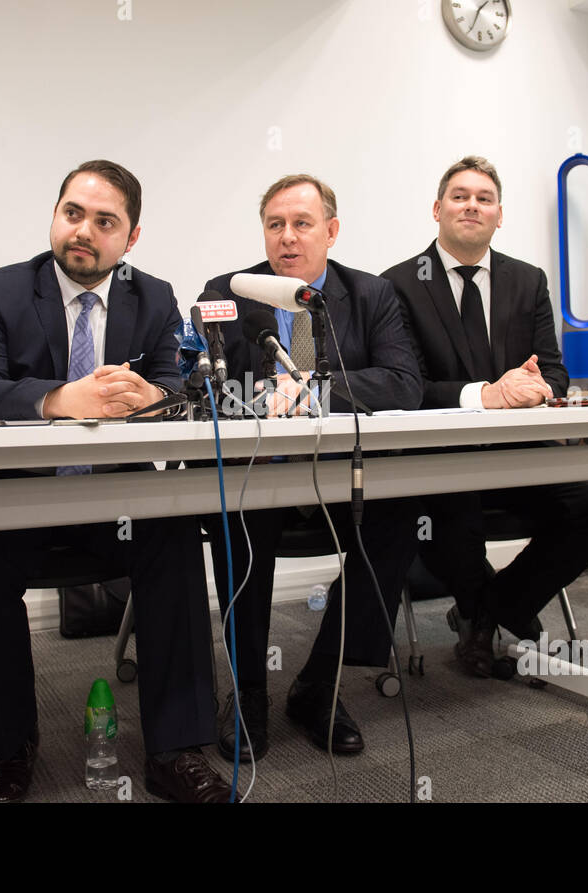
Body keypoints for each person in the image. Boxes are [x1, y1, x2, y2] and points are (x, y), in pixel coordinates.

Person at [0, 159, 228, 803]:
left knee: (177, 534)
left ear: (130, 238)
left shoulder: (152, 296)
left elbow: (178, 388)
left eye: (105, 222)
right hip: (17, 503)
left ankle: (174, 750)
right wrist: (60, 399)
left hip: (112, 502)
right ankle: (11, 749)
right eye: (73, 213)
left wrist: (152, 393)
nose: (84, 232)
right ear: (54, 215)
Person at [200, 174, 422, 762]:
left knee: (400, 517)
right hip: (262, 475)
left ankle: (319, 685)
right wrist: (250, 394)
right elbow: (202, 383)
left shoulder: (370, 294)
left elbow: (404, 383)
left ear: (332, 230)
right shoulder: (229, 290)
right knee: (243, 519)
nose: (288, 237)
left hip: (343, 475)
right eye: (275, 224)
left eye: (302, 223)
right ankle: (247, 692)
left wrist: (315, 391)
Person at [381, 156, 588, 678]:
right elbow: (405, 387)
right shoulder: (397, 285)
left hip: (520, 452)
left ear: (500, 215)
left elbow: (556, 374)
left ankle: (491, 607)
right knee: (448, 509)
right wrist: (486, 394)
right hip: (441, 456)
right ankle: (487, 613)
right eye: (459, 195)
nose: (471, 205)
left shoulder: (528, 280)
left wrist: (538, 388)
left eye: (484, 198)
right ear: (437, 209)